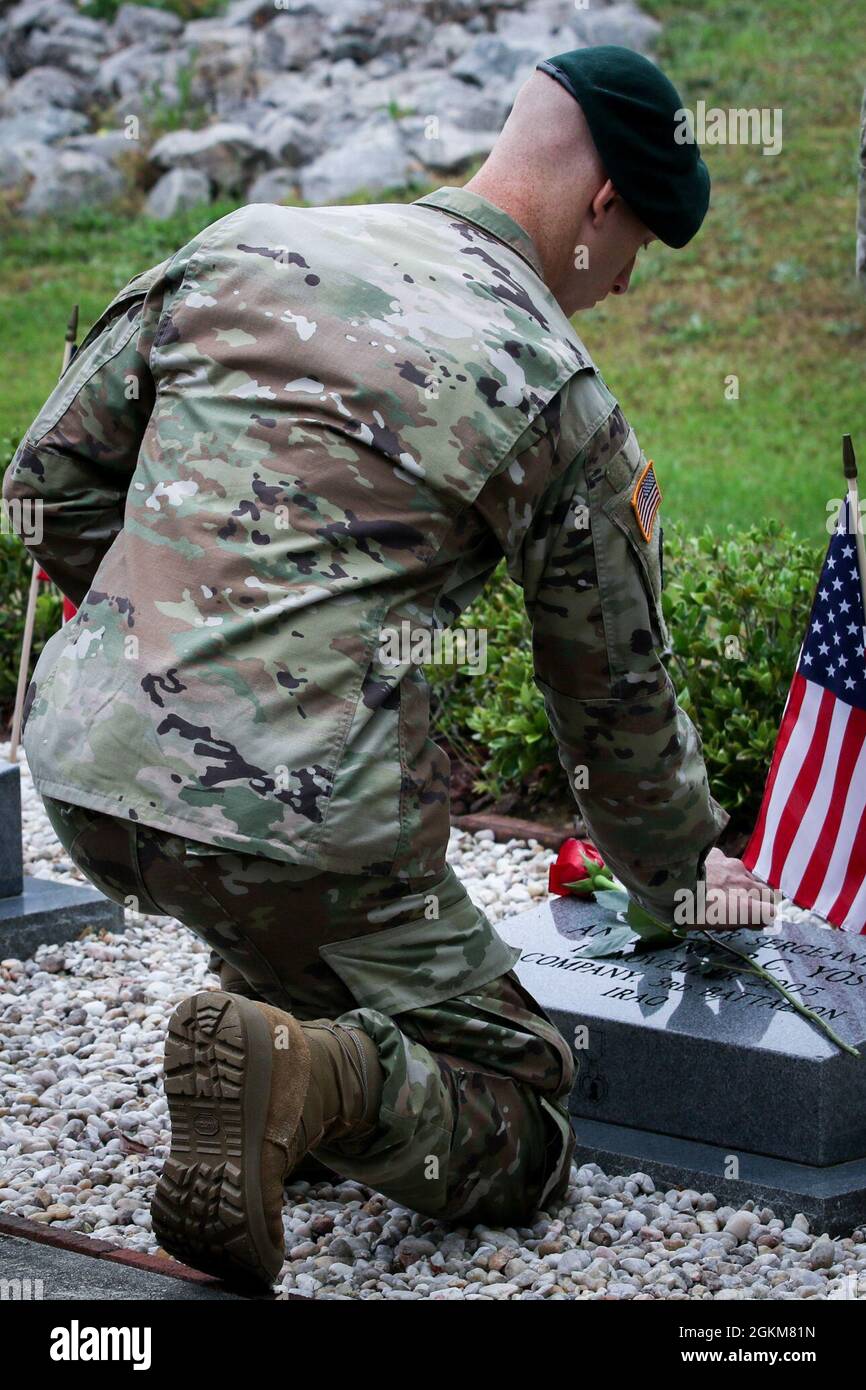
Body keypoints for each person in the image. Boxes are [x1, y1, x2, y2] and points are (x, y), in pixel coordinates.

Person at [2, 45, 768, 1290]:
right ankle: (312, 1080)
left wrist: (154, 648)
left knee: (295, 924)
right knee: (526, 1117)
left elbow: (45, 481)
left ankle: (272, 1054)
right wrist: (686, 882)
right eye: (634, 258)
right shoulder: (549, 387)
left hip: (87, 780)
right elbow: (610, 704)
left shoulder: (243, 243)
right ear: (602, 205)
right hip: (297, 829)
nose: (621, 290)